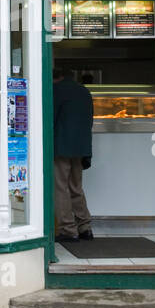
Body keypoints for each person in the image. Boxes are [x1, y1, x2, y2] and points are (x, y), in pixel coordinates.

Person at [52, 69, 94, 242]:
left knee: (60, 187)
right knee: (76, 186)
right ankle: (85, 227)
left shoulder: (55, 90)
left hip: (61, 145)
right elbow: (90, 118)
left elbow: (50, 118)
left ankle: (67, 229)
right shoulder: (84, 90)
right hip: (81, 146)